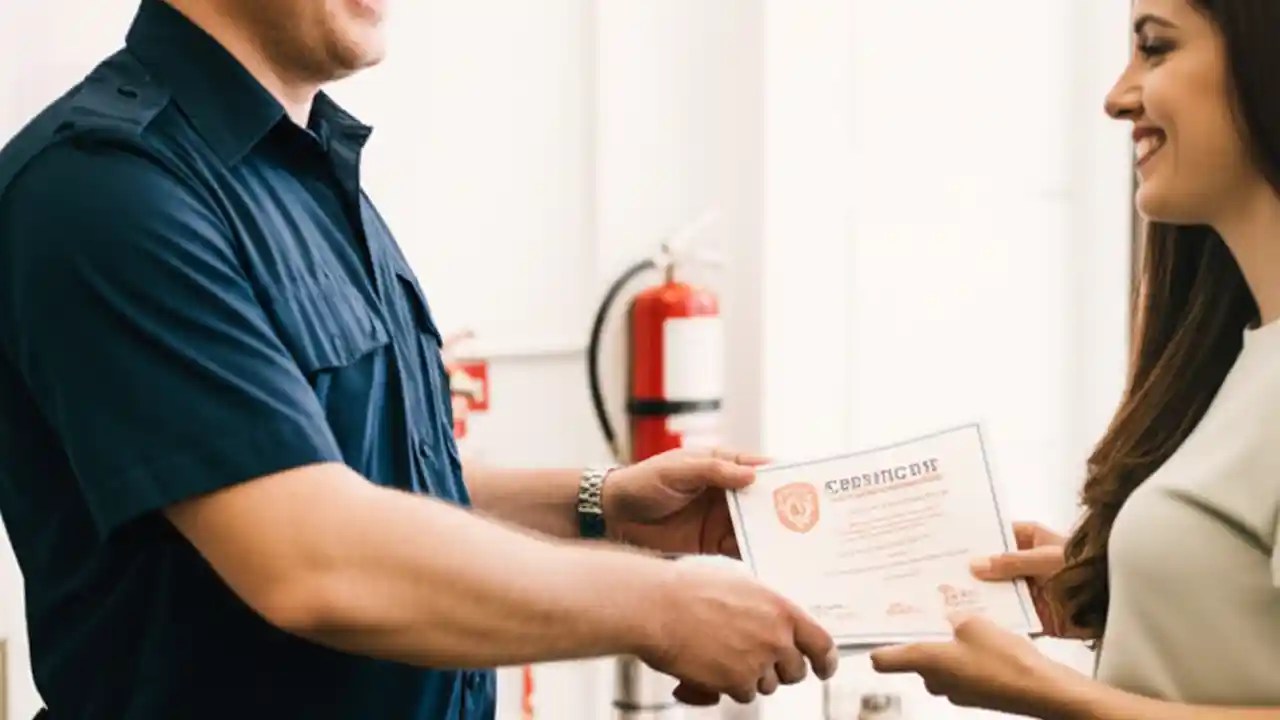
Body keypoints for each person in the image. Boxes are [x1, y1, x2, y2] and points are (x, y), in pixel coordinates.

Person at [0, 1, 838, 718]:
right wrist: (660, 607)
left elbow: (366, 481)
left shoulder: (307, 171)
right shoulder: (106, 190)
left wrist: (602, 505)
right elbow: (313, 558)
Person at [869, 0, 1280, 717]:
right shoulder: (1244, 357)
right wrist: (1145, 586)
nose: (1118, 97)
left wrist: (1050, 692)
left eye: (1154, 49)